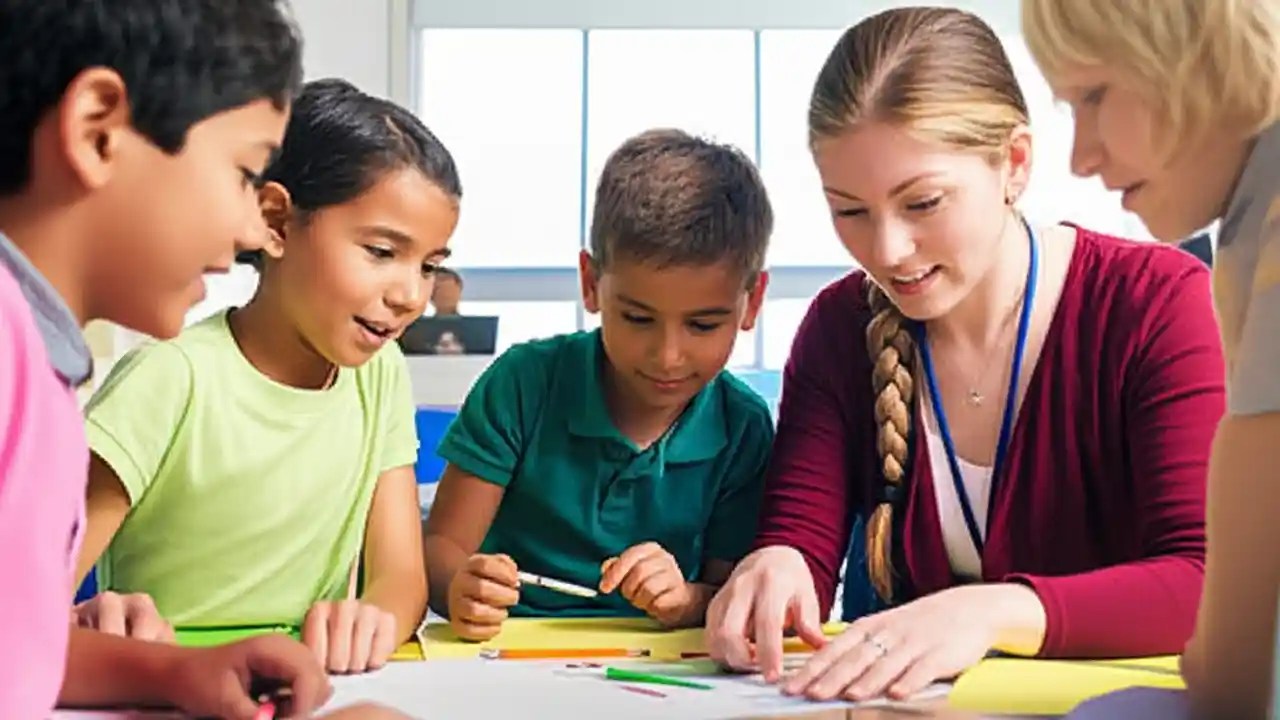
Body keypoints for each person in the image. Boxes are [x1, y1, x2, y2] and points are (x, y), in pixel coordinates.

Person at [705, 6, 1227, 703]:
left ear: (1013, 163)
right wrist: (775, 569)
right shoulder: (838, 330)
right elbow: (800, 540)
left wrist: (991, 612)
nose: (885, 252)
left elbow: (1206, 582)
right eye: (850, 211)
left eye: (922, 203)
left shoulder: (1158, 305)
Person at [0, 1, 340, 717]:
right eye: (247, 173)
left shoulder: (41, 366)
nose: (255, 225)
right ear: (98, 132)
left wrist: (171, 673)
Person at [72, 79, 459, 675]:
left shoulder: (378, 376)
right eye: (382, 252)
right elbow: (30, 594)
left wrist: (372, 617)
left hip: (309, 686)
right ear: (276, 222)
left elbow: (402, 577)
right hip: (169, 686)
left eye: (430, 266)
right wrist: (98, 622)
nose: (411, 294)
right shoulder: (172, 377)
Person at [1021, 1, 1280, 716]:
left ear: (1200, 50)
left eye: (1094, 97)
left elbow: (1231, 677)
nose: (1080, 157)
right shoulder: (1245, 225)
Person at [423, 129, 775, 641]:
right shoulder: (523, 384)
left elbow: (731, 591)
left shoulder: (741, 425)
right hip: (504, 656)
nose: (668, 356)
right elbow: (440, 549)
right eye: (636, 318)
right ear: (591, 283)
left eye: (702, 326)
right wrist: (460, 585)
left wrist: (686, 601)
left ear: (754, 301)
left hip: (659, 668)